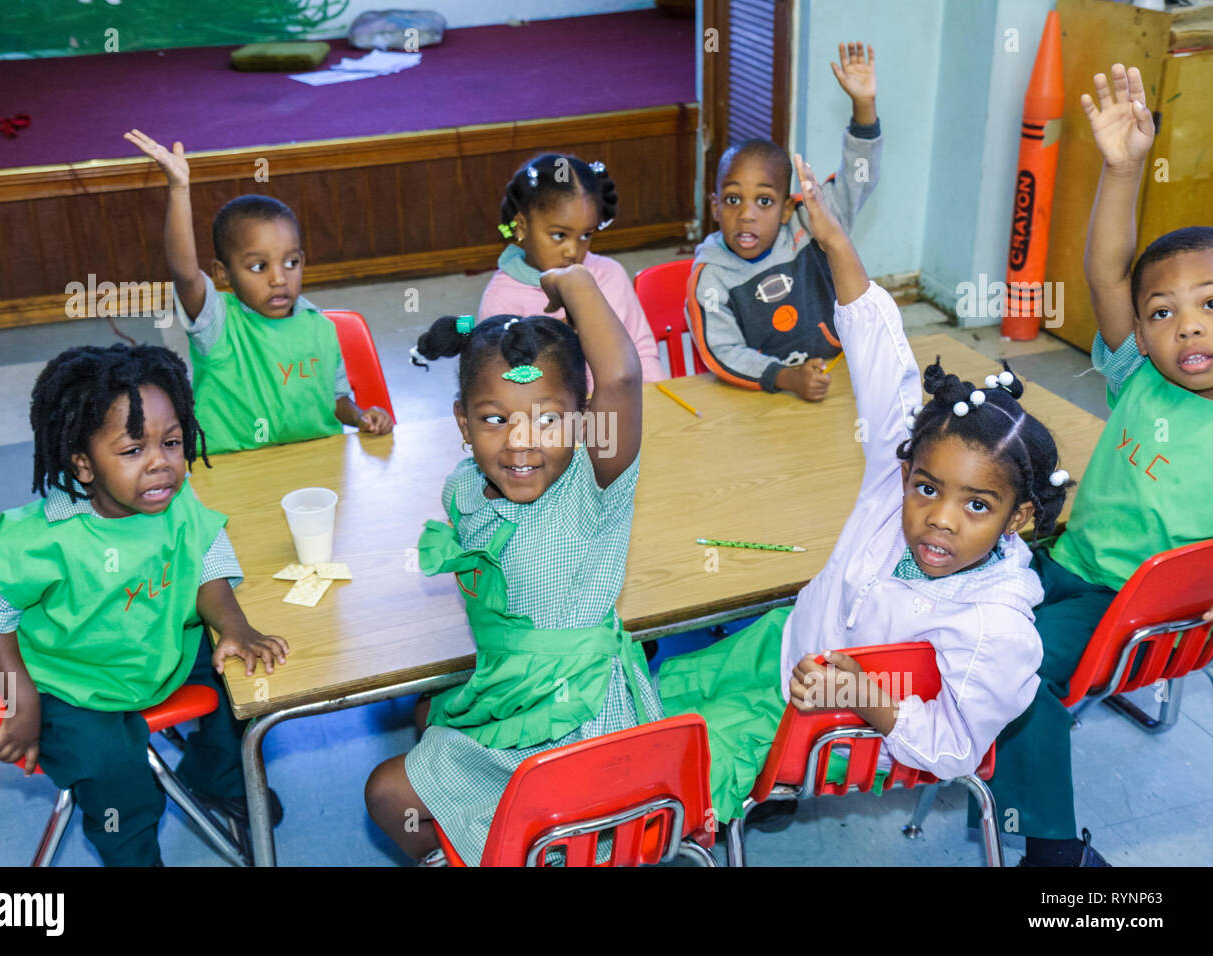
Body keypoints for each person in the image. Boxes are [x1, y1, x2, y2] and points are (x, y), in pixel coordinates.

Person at [658, 155, 1067, 830]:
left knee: (667, 776)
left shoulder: (998, 627)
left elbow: (956, 746)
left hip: (820, 729)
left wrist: (863, 694)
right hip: (780, 644)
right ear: (906, 469)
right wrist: (836, 244)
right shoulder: (895, 480)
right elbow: (882, 357)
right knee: (649, 699)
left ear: (1019, 517)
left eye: (976, 505)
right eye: (927, 487)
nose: (936, 518)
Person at [984, 64, 1213, 867]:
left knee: (1018, 670)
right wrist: (1121, 169)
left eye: (1209, 304)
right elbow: (1106, 273)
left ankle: (1056, 854)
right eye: (1162, 313)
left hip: (1126, 608)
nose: (1186, 328)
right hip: (1063, 561)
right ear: (1142, 337)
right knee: (933, 575)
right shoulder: (1140, 377)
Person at [0, 344, 289, 865]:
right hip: (70, 682)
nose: (161, 465)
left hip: (154, 647)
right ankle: (133, 855)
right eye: (132, 451)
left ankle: (215, 772)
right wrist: (22, 697)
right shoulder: (47, 535)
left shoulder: (177, 500)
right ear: (82, 464)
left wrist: (234, 625)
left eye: (172, 443)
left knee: (245, 678)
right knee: (116, 774)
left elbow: (207, 558)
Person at [366, 265, 661, 864]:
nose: (521, 442)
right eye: (496, 418)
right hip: (511, 692)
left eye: (548, 417)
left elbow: (623, 376)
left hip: (578, 726)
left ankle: (523, 847)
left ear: (584, 421)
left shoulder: (591, 482)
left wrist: (573, 281)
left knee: (386, 790)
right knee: (424, 718)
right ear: (462, 424)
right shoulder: (465, 488)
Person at [125, 129, 393, 454]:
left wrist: (362, 416)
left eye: (291, 263)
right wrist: (179, 189)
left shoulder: (320, 327)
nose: (279, 278)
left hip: (316, 474)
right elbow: (184, 273)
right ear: (223, 273)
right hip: (234, 474)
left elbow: (334, 401)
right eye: (258, 267)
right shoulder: (218, 324)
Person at [688, 42, 881, 400]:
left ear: (787, 208)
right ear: (715, 208)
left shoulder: (809, 225)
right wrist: (786, 378)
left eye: (764, 201)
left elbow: (858, 178)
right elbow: (722, 352)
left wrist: (864, 108)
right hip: (761, 400)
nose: (746, 215)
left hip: (840, 377)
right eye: (732, 200)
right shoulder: (711, 276)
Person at [477, 153, 666, 388]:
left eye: (586, 235)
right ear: (521, 226)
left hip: (620, 410)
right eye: (559, 235)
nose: (573, 251)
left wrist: (655, 399)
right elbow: (498, 381)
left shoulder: (610, 275)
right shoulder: (502, 297)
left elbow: (643, 352)